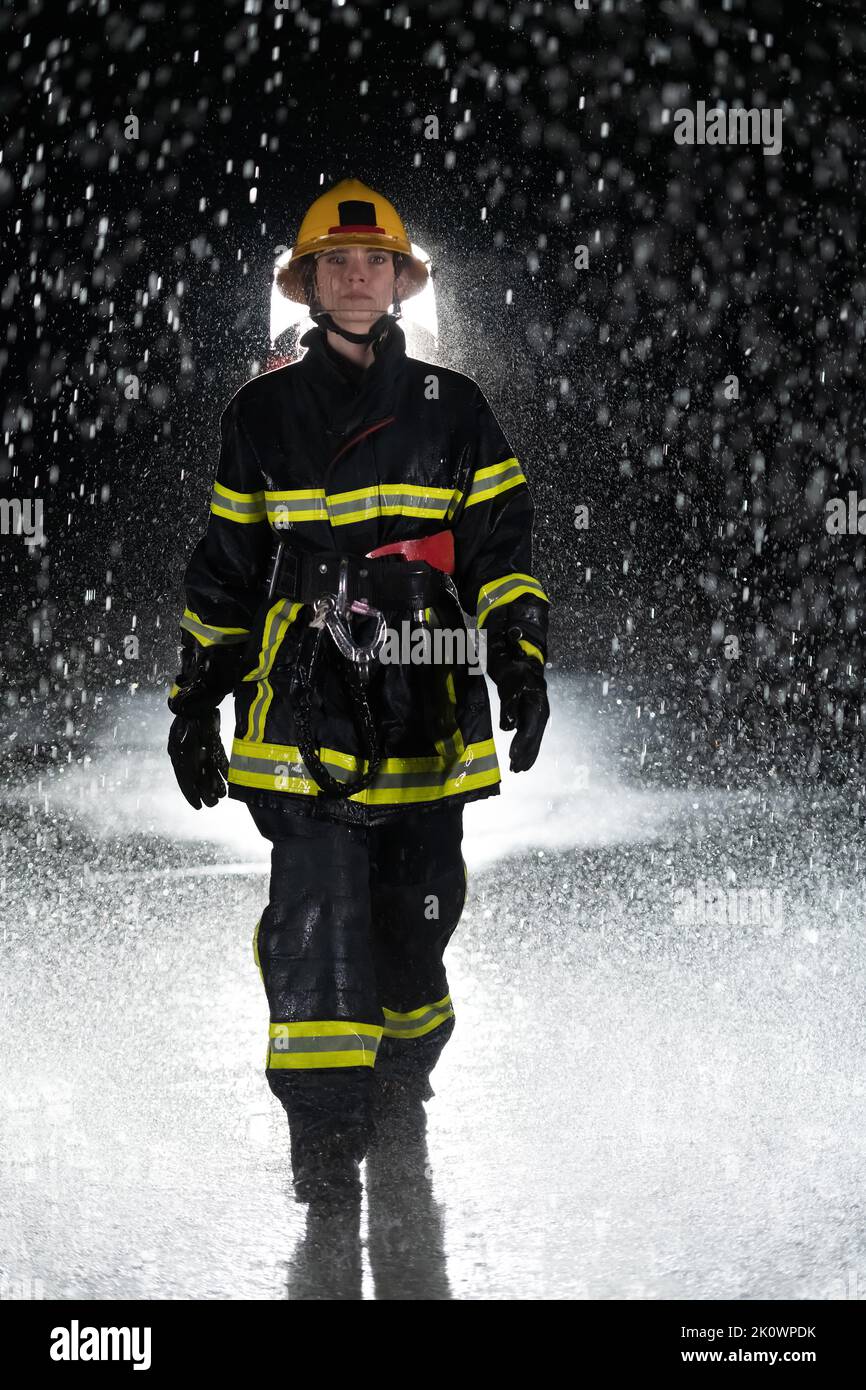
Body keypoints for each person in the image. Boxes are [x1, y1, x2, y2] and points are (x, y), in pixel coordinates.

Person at [167, 178, 551, 1205]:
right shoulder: (262, 414)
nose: (352, 277)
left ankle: (401, 1089)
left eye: (371, 262)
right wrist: (194, 699)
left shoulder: (453, 409)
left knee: (416, 921)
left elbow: (498, 552)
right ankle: (326, 1138)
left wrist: (518, 657)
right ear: (307, 283)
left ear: (396, 281)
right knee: (314, 921)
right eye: (333, 264)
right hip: (303, 710)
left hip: (425, 706)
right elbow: (228, 567)